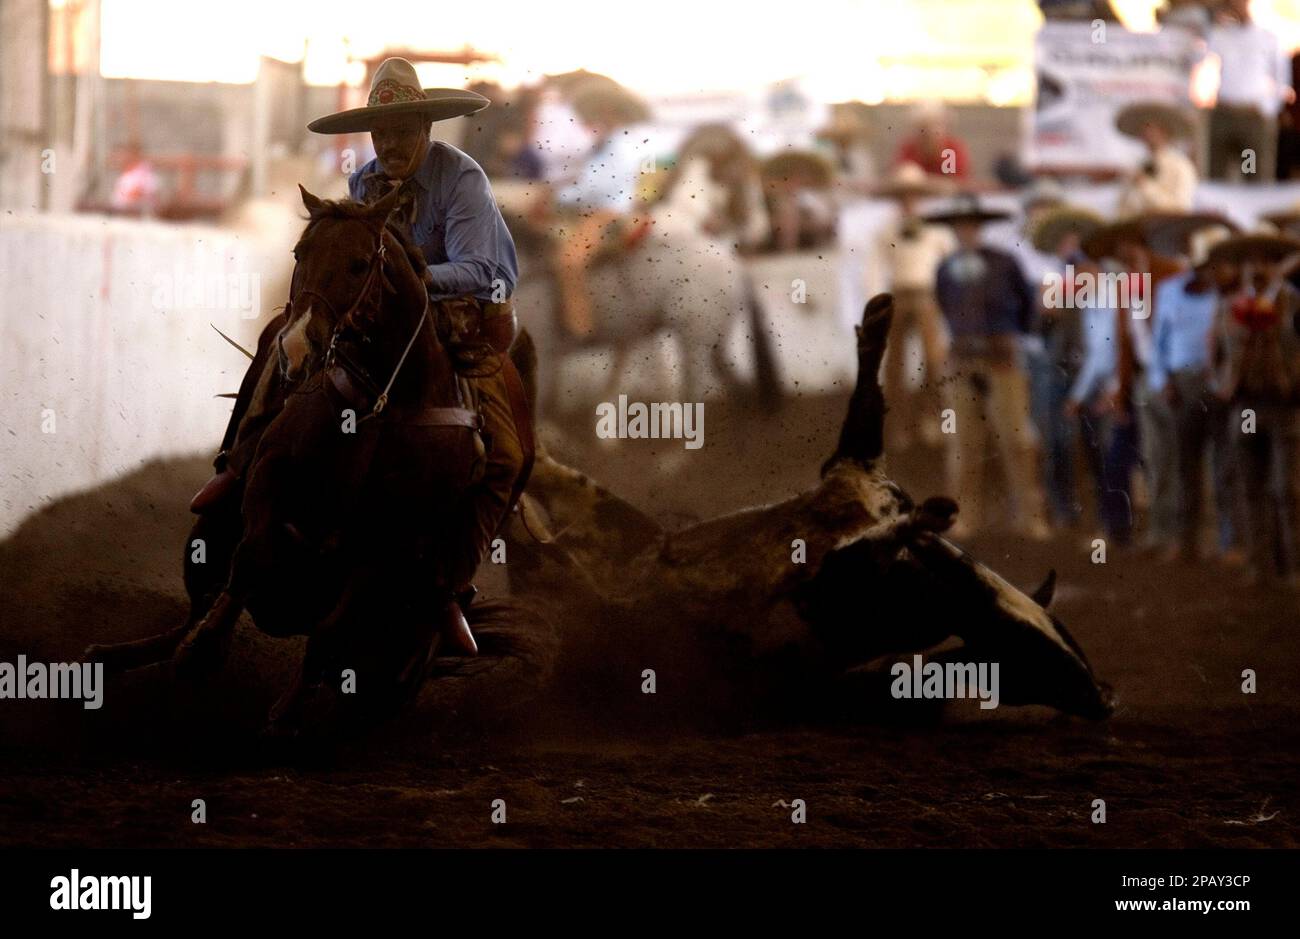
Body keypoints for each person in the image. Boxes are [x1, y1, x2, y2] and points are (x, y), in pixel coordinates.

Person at [206, 57, 529, 655]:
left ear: (426, 128)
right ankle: (241, 458)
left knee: (504, 457)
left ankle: (449, 586)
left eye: (402, 131)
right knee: (283, 338)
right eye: (381, 133)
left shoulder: (462, 179)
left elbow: (482, 269)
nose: (390, 144)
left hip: (466, 317)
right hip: (391, 314)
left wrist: (408, 278)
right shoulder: (364, 184)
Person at [929, 194, 1049, 540]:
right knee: (963, 442)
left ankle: (1030, 516)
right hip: (962, 356)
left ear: (979, 228)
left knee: (1016, 438)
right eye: (959, 226)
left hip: (1002, 356)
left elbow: (1027, 305)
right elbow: (943, 307)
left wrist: (1011, 335)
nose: (964, 231)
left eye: (970, 225)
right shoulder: (945, 268)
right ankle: (963, 517)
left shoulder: (1004, 262)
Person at [1082, 217, 1186, 554]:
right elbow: (1126, 342)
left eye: (1123, 245)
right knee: (1155, 458)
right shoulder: (1129, 282)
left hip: (1170, 376)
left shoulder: (1170, 273)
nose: (1119, 252)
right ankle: (1160, 532)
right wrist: (1123, 390)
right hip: (1144, 378)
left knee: (1172, 458)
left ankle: (1177, 535)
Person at [1208, 231, 1300, 584]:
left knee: (1286, 489)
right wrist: (1223, 385)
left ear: (1276, 266)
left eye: (1265, 261)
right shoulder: (1229, 306)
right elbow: (1216, 353)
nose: (1257, 269)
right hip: (1245, 406)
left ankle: (1293, 565)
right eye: (1251, 262)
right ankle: (1260, 565)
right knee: (1250, 485)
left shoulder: (1292, 302)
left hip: (1283, 405)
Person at [1147, 222, 1240, 561]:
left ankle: (1229, 543)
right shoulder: (1169, 291)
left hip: (1220, 386)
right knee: (1185, 466)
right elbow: (1159, 341)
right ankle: (1186, 541)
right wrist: (1163, 380)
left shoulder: (1228, 296)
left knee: (1225, 465)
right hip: (1183, 384)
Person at [532, 81, 653, 339]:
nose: (593, 117)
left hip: (607, 213)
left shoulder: (622, 142)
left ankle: (581, 328)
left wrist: (560, 195)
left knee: (570, 260)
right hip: (592, 209)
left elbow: (597, 185)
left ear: (610, 111)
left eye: (598, 111)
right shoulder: (605, 141)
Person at [1027, 203, 1103, 530]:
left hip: (1092, 369)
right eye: (1066, 242)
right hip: (1057, 366)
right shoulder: (1050, 277)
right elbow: (1045, 310)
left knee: (1096, 441)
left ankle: (1102, 512)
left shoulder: (1102, 277)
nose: (1070, 247)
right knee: (1056, 441)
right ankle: (1062, 509)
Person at [873, 162, 955, 450]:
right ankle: (899, 425)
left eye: (914, 194)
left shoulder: (937, 229)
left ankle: (930, 417)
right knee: (895, 363)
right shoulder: (887, 230)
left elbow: (949, 263)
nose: (909, 200)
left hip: (927, 294)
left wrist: (950, 298)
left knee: (934, 360)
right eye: (903, 195)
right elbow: (874, 267)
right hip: (898, 293)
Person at [1207, 0, 1292, 183]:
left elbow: (1281, 77)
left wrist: (1268, 108)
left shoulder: (1267, 38)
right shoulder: (1220, 34)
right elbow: (1203, 59)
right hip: (1224, 114)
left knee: (1251, 170)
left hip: (1251, 117)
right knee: (1217, 174)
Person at [1114, 102, 1198, 215]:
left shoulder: (1180, 165)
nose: (1147, 133)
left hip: (1166, 224)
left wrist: (1144, 184)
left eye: (1152, 129)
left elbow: (1180, 206)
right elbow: (1125, 207)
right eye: (1144, 129)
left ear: (1166, 132)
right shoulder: (1138, 166)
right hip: (1137, 224)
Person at [894, 101, 970, 179]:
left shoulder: (952, 149)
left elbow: (955, 182)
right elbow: (898, 177)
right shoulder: (909, 148)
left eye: (935, 125)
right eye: (923, 127)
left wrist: (922, 181)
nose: (929, 132)